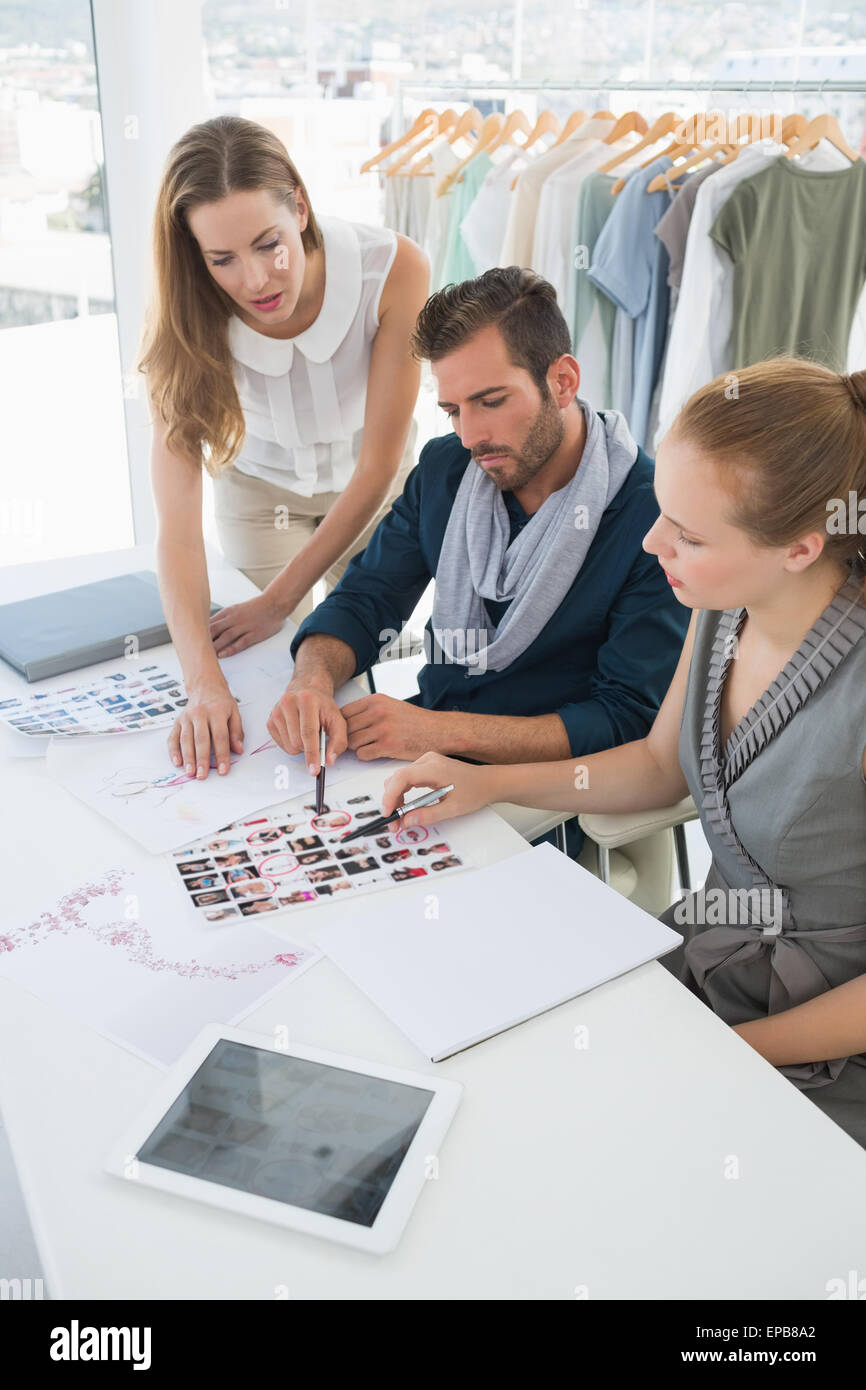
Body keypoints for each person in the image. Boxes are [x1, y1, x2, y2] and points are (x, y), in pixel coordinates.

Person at [379, 358, 866, 1148]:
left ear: (802, 549)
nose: (651, 541)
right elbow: (657, 766)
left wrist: (732, 1053)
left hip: (824, 1042)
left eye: (688, 533)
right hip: (711, 968)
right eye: (662, 513)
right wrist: (485, 783)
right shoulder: (724, 606)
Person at [268, 266, 690, 858]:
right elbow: (366, 601)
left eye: (491, 402)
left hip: (552, 795)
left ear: (563, 381)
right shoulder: (446, 468)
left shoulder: (655, 514)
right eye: (453, 410)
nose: (470, 435)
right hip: (431, 759)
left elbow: (625, 719)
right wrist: (311, 681)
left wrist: (435, 731)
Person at [140, 115, 429, 781]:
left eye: (268, 243)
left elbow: (380, 466)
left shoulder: (393, 270)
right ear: (195, 255)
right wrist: (203, 686)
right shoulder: (185, 318)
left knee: (352, 670)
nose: (256, 280)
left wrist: (278, 602)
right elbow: (177, 532)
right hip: (259, 495)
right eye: (222, 259)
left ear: (299, 206)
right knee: (268, 681)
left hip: (373, 490)